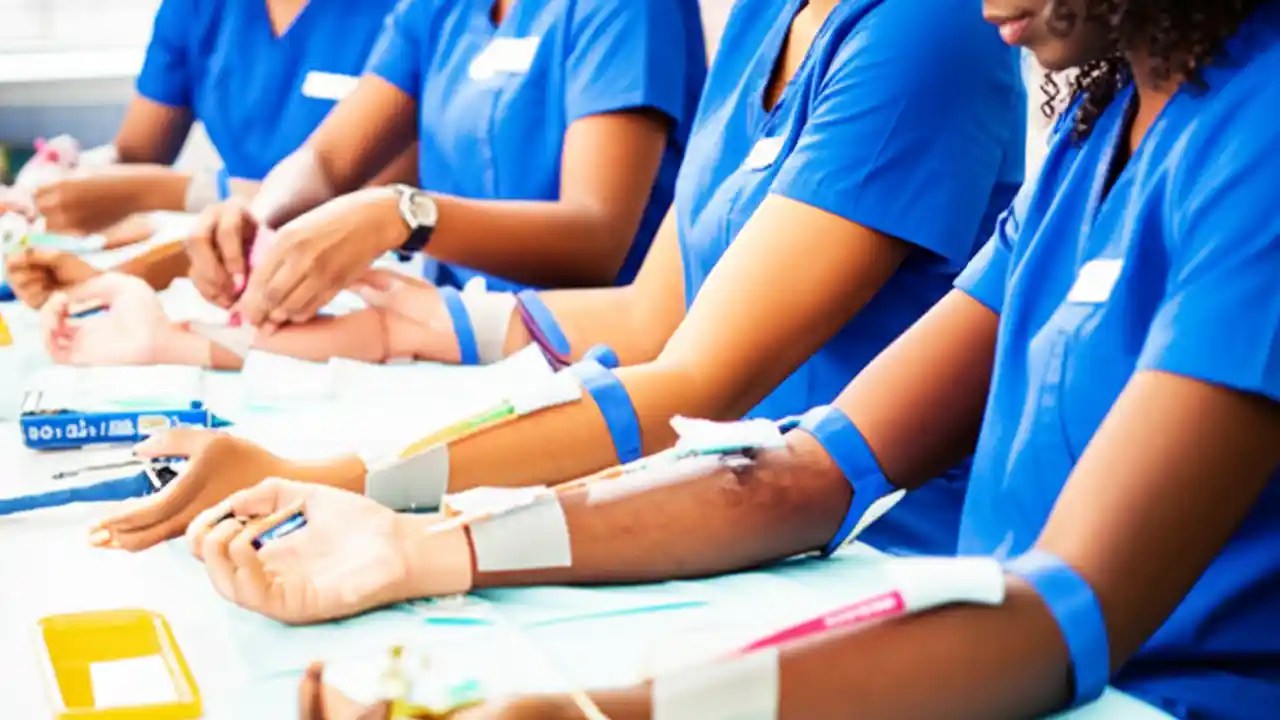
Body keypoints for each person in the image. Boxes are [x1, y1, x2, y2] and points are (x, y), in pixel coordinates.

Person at [190, 0, 1280, 717]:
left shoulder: (1257, 129)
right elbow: (809, 470)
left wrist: (613, 711)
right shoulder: (1103, 123)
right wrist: (423, 546)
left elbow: (1063, 612)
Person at [76, 0, 1025, 556]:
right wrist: (402, 327)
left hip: (860, 540)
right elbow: (654, 315)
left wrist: (354, 480)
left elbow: (696, 377)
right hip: (713, 493)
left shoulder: (923, 34)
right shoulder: (767, 22)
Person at [180, 0, 708, 322]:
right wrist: (255, 215)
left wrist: (401, 215)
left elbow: (596, 241)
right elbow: (326, 160)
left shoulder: (629, 9)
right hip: (452, 329)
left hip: (589, 345)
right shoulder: (438, 7)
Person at [3, 0, 419, 307]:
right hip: (233, 266)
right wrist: (58, 188)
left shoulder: (407, 15)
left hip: (357, 282)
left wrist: (171, 195)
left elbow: (365, 208)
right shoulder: (198, 10)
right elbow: (135, 155)